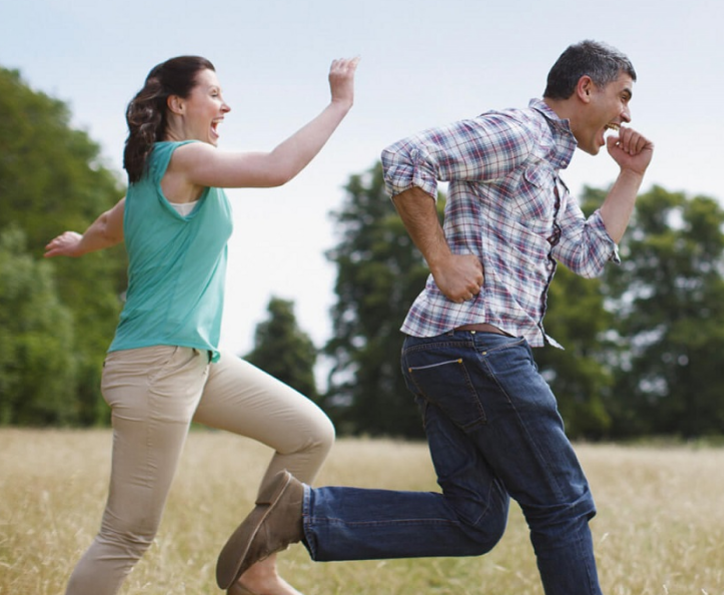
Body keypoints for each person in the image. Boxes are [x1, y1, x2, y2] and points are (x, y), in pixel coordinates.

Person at [216, 40, 653, 595]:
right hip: (476, 346)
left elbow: (587, 256)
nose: (627, 114)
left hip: (451, 350)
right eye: (623, 96)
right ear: (586, 88)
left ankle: (302, 513)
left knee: (475, 520)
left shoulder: (548, 171)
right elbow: (405, 156)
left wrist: (631, 176)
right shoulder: (521, 131)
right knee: (562, 503)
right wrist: (440, 259)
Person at [45, 54, 359, 595]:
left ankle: (255, 568)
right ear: (178, 104)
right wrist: (339, 102)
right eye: (213, 93)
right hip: (153, 366)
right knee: (126, 537)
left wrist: (79, 244)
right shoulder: (182, 158)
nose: (225, 104)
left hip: (194, 360)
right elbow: (276, 168)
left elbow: (105, 224)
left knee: (309, 433)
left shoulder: (151, 174)